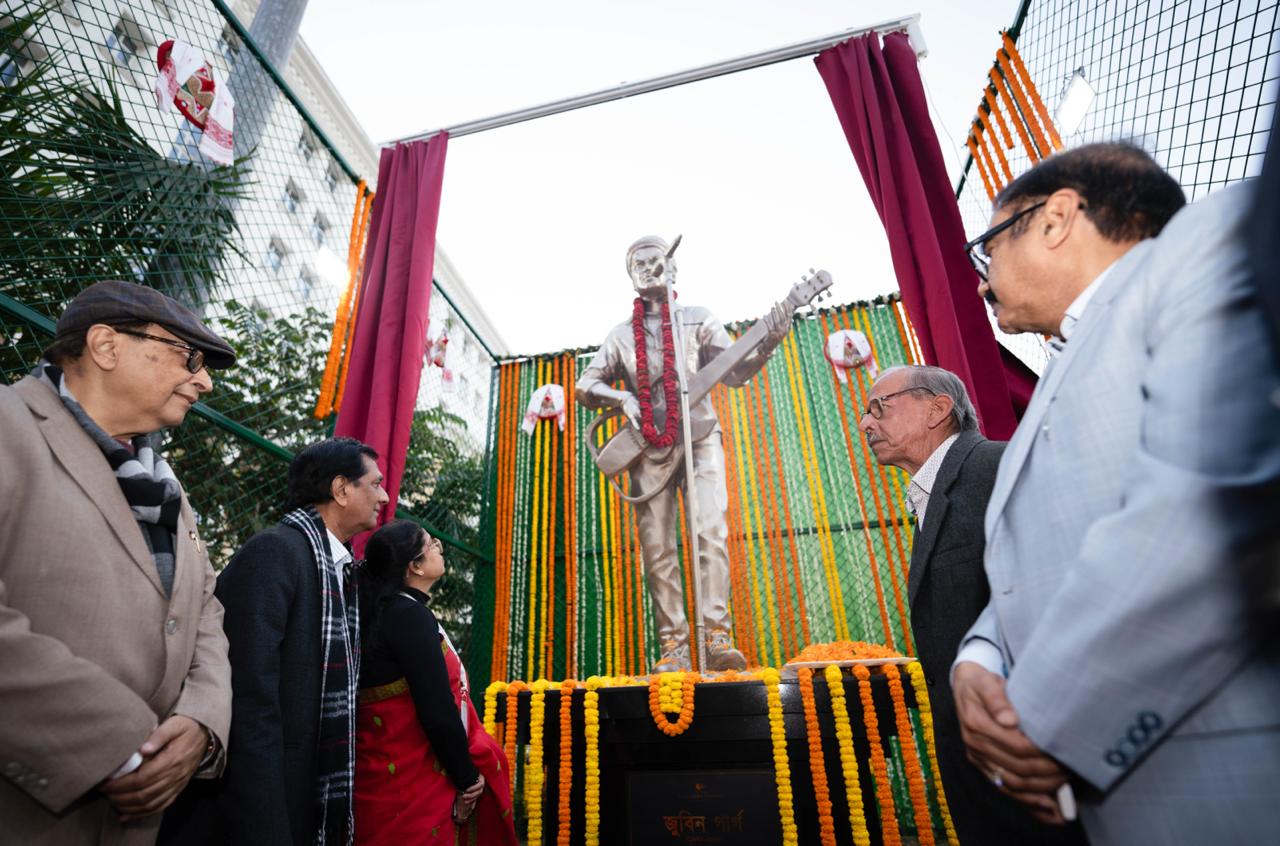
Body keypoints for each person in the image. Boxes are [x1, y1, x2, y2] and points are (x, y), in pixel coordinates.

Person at [953, 142, 1280, 843]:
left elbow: (1211, 502)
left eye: (987, 250)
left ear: (1056, 218)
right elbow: (1024, 569)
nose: (981, 283)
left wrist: (1041, 722)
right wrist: (978, 661)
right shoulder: (1055, 377)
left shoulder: (1209, 244)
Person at [0, 280, 235, 845]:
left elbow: (205, 615)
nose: (203, 380)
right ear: (106, 347)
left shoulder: (166, 487)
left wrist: (201, 723)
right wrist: (124, 744)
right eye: (191, 357)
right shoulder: (9, 428)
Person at [860, 365, 1086, 844]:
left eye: (880, 407)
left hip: (1028, 749)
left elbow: (1065, 592)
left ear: (937, 409)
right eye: (866, 412)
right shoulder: (936, 491)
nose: (866, 423)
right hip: (981, 761)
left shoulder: (998, 467)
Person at [575, 235, 792, 671]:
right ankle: (674, 647)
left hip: (701, 438)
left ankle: (716, 639)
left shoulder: (700, 319)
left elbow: (736, 374)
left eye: (655, 260)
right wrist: (623, 400)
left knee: (710, 533)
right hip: (649, 449)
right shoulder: (619, 337)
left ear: (673, 268)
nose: (648, 268)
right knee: (657, 549)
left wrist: (769, 341)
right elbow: (585, 385)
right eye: (638, 263)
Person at [173, 438, 388, 845]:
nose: (385, 495)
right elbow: (248, 700)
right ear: (341, 490)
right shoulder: (275, 553)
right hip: (255, 810)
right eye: (375, 484)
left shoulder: (337, 571)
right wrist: (267, 828)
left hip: (298, 799)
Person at [354, 520, 518, 846]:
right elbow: (436, 707)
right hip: (411, 778)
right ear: (414, 566)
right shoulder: (407, 616)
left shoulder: (388, 611)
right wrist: (467, 778)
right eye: (431, 544)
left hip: (384, 773)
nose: (439, 548)